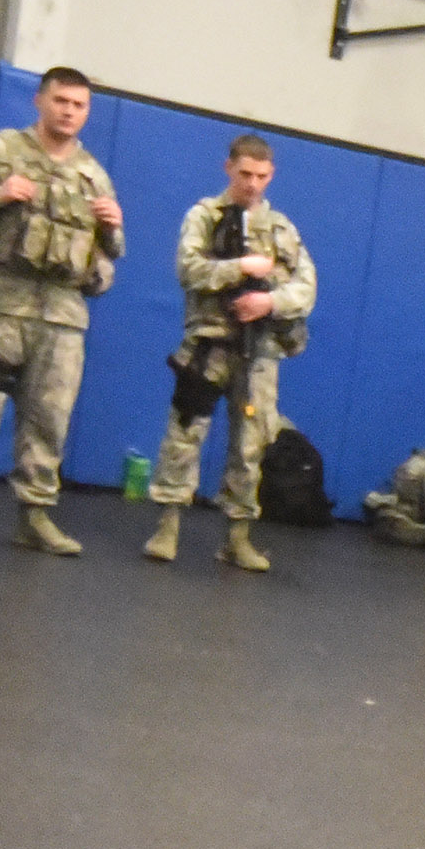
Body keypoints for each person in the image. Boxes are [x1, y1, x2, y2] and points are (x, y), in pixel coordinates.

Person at [0, 63, 122, 553]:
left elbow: (106, 257)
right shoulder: (0, 151)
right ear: (39, 100)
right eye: (61, 101)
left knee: (50, 418)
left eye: (79, 105)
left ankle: (34, 516)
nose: (69, 112)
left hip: (62, 316)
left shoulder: (93, 175)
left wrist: (114, 228)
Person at [141, 133, 315, 575]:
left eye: (261, 176)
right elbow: (189, 268)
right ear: (228, 169)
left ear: (271, 175)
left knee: (251, 443)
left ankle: (237, 537)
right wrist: (239, 268)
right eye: (245, 174)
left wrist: (268, 302)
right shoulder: (205, 215)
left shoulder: (282, 230)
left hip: (259, 350)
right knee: (185, 433)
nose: (253, 184)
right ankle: (167, 526)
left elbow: (306, 288)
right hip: (210, 344)